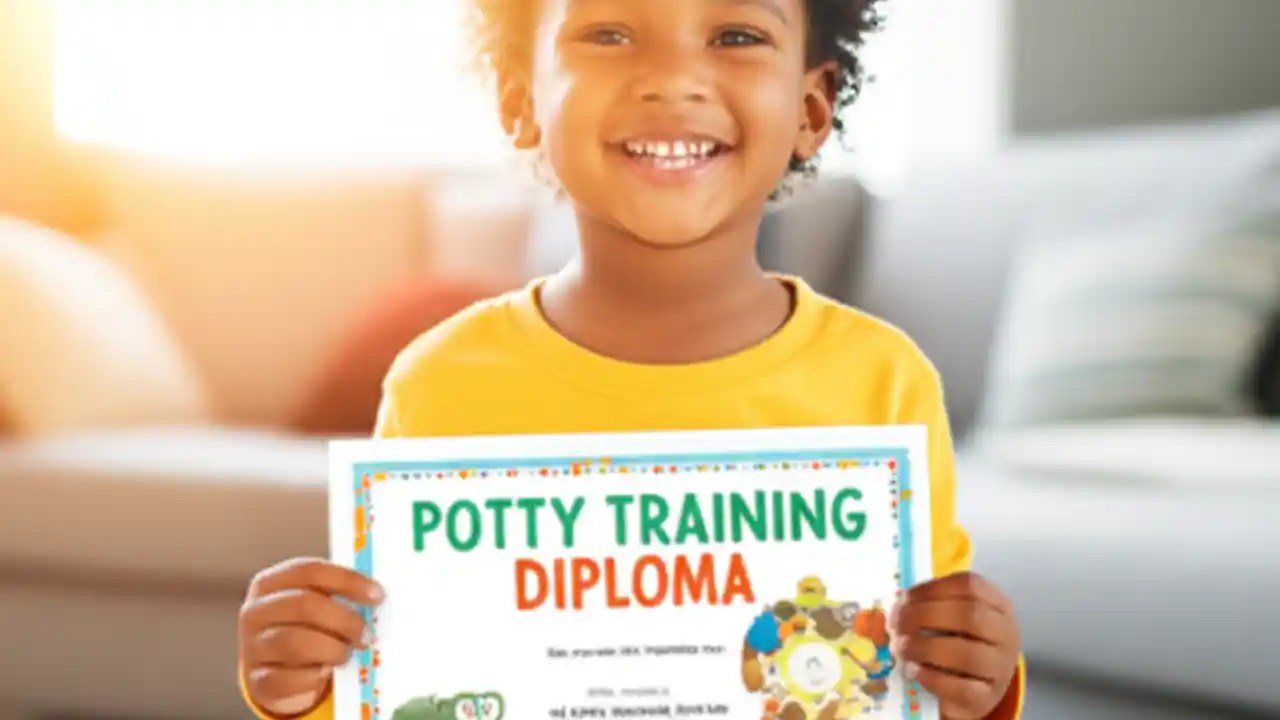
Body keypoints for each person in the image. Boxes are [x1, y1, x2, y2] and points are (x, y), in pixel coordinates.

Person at [236, 0, 1026, 718]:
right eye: (607, 33)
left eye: (738, 36)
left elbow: (928, 672)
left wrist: (978, 682)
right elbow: (408, 678)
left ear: (810, 109)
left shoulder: (884, 380)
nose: (673, 79)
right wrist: (306, 688)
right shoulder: (441, 382)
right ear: (521, 100)